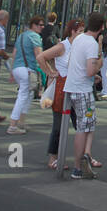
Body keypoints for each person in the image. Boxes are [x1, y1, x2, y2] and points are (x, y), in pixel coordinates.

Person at [63, 11, 105, 178]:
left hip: (72, 86)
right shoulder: (92, 44)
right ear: (101, 27)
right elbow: (90, 70)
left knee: (88, 123)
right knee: (83, 127)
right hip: (83, 90)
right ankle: (77, 167)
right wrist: (99, 64)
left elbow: (77, 63)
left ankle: (85, 157)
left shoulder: (79, 38)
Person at [39, 18, 84, 170]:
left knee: (80, 124)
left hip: (75, 87)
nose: (82, 34)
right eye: (80, 31)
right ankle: (53, 158)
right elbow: (41, 57)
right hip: (62, 87)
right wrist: (50, 73)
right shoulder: (62, 46)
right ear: (72, 31)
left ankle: (83, 156)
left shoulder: (79, 46)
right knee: (59, 125)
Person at [7, 15, 46, 135]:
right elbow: (39, 55)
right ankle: (13, 125)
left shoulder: (22, 36)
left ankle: (21, 122)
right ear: (33, 25)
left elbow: (14, 53)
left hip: (18, 68)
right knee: (23, 95)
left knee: (28, 94)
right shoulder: (35, 36)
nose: (42, 27)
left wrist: (12, 72)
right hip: (27, 69)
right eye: (40, 24)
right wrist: (47, 70)